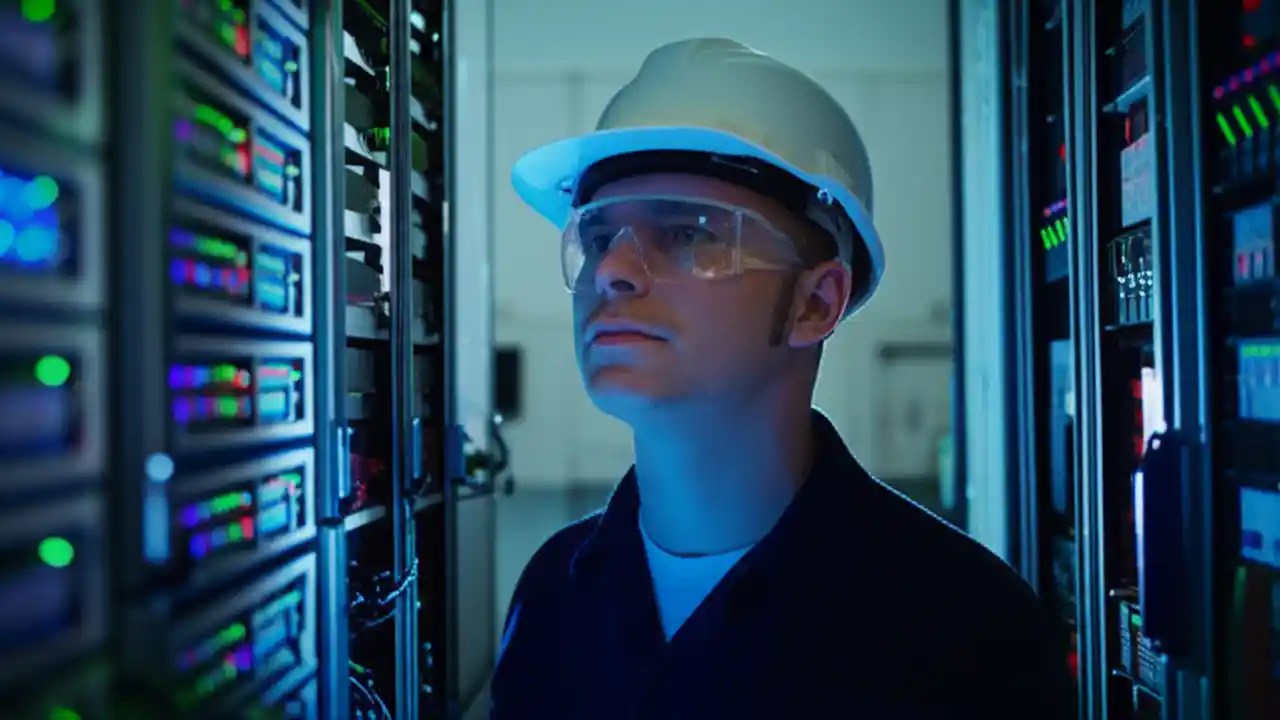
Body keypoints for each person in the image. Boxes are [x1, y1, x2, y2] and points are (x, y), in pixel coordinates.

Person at [489, 37, 1073, 719]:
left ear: (815, 302)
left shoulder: (964, 629)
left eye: (687, 233)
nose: (612, 270)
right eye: (596, 239)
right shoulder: (553, 591)